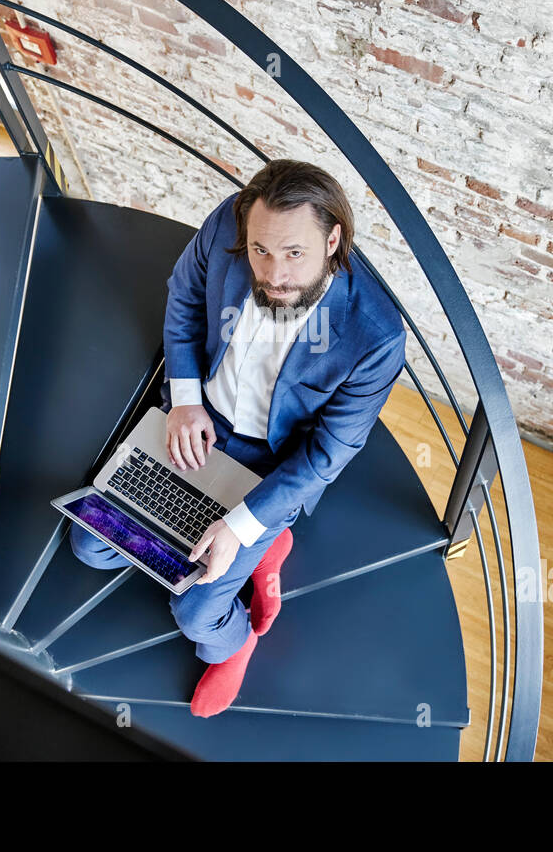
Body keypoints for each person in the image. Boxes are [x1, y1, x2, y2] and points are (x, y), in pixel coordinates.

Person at [69, 159, 406, 717]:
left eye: (294, 253)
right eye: (260, 251)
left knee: (197, 615)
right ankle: (246, 548)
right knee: (89, 545)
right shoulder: (231, 222)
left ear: (333, 240)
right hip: (197, 423)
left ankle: (241, 639)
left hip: (271, 468)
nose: (273, 273)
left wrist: (241, 524)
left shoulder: (376, 335)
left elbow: (328, 455)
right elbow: (181, 302)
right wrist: (183, 401)